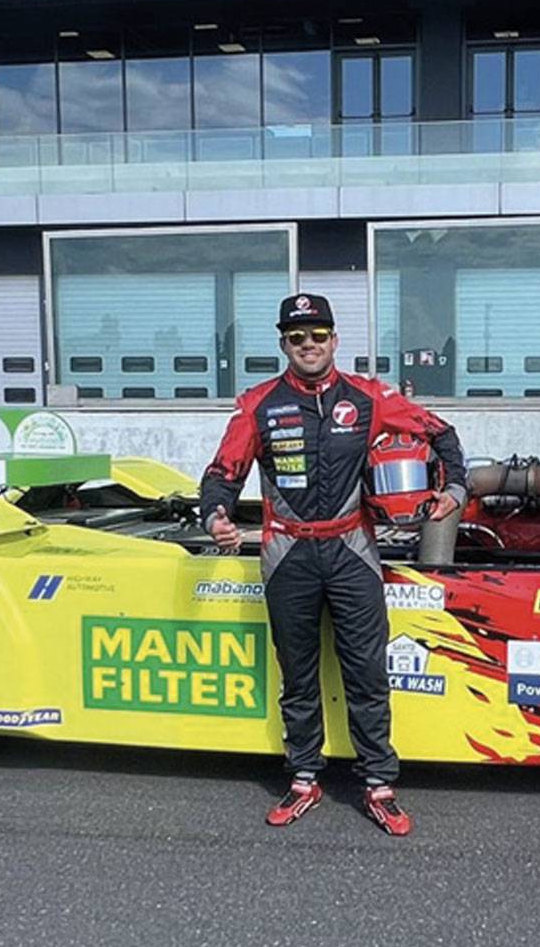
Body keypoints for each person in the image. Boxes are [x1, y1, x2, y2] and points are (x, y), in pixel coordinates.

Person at [197, 293, 467, 835]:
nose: (309, 345)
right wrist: (215, 516)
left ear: (335, 340)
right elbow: (221, 474)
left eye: (318, 335)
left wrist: (454, 491)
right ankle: (303, 777)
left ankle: (379, 784)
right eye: (298, 337)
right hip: (286, 554)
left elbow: (442, 435)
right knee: (297, 678)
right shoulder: (258, 404)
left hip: (351, 552)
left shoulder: (369, 398)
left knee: (366, 673)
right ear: (284, 344)